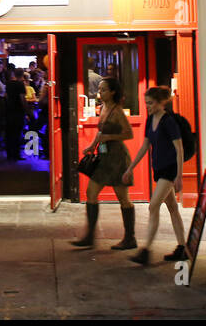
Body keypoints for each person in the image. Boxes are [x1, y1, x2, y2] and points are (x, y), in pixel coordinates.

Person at [122, 86, 186, 266]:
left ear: (160, 102)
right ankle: (182, 247)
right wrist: (131, 168)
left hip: (169, 170)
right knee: (172, 208)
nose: (147, 106)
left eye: (150, 103)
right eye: (146, 103)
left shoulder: (169, 122)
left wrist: (179, 176)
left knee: (153, 206)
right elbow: (144, 147)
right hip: (158, 169)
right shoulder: (151, 121)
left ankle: (146, 250)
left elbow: (179, 149)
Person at [70, 78, 136, 250]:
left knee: (123, 198)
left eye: (104, 90)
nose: (100, 93)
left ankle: (130, 238)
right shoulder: (103, 108)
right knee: (91, 192)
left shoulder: (117, 111)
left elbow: (129, 134)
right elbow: (100, 132)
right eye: (100, 89)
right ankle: (90, 236)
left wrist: (109, 137)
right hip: (104, 157)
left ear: (112, 92)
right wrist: (92, 146)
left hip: (117, 158)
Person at [5, 68, 31, 161]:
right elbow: (22, 99)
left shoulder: (8, 84)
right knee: (17, 133)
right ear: (22, 75)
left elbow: (6, 96)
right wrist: (27, 111)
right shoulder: (20, 84)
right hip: (18, 111)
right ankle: (16, 154)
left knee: (9, 133)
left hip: (9, 110)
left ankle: (9, 154)